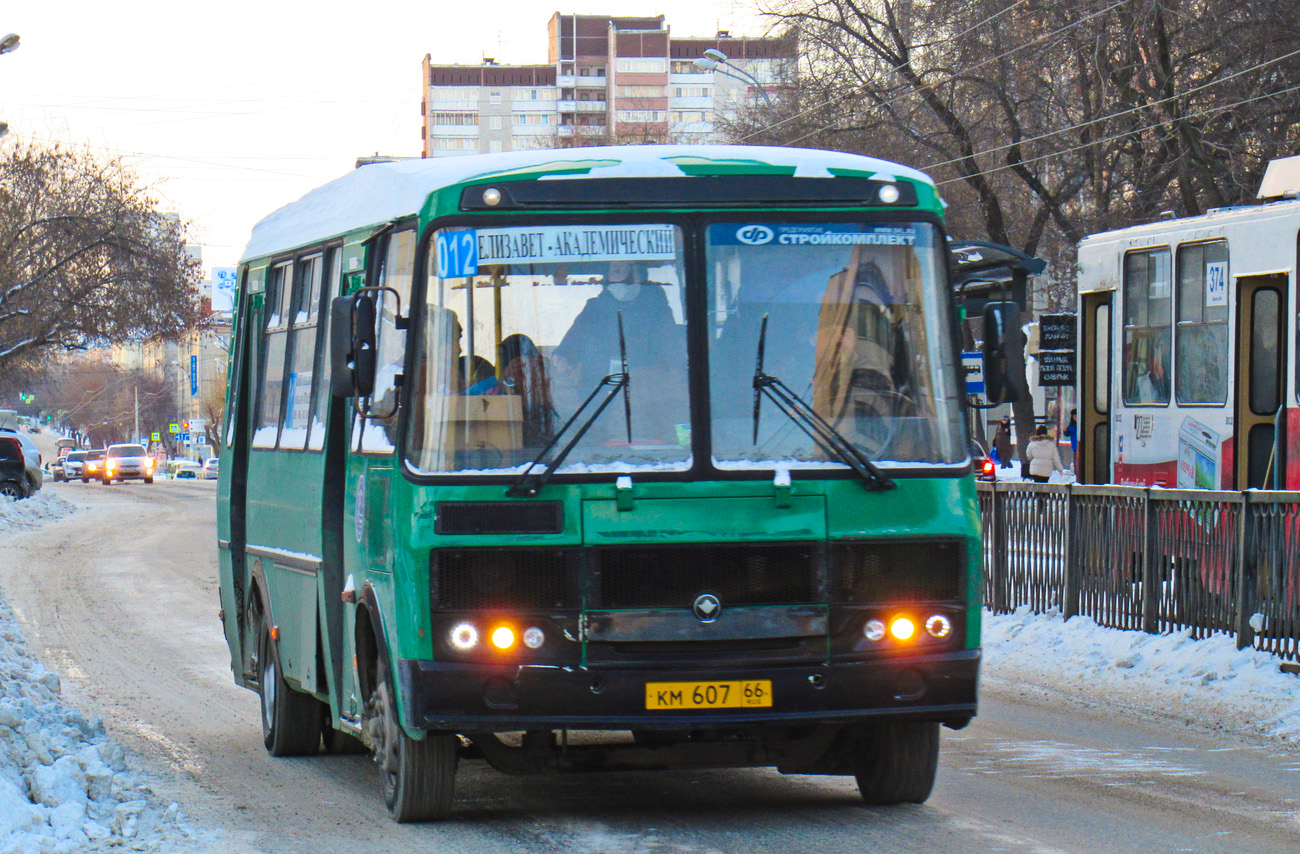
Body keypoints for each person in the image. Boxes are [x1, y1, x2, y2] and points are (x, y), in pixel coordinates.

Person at [551, 259, 685, 442]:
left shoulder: (656, 306)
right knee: (598, 434)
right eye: (614, 269)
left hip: (646, 389)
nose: (619, 273)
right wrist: (563, 357)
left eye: (624, 268)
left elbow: (671, 347)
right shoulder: (594, 308)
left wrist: (668, 372)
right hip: (598, 387)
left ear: (638, 274)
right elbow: (574, 342)